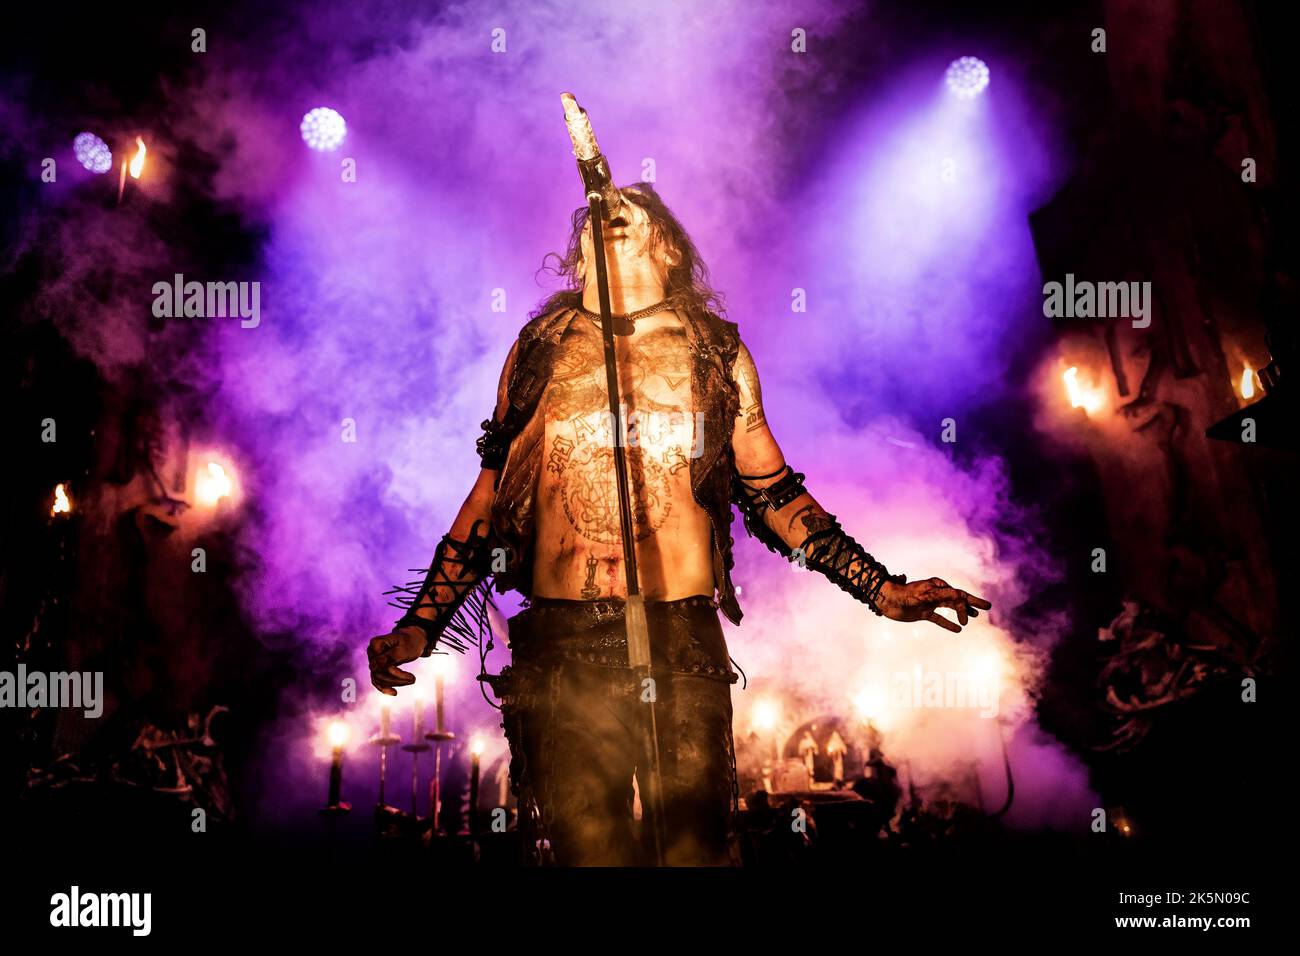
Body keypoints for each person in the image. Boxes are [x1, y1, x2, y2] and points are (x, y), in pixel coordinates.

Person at [367, 183, 991, 865]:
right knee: (591, 851)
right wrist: (420, 626)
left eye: (626, 212)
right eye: (592, 217)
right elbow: (488, 500)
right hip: (563, 646)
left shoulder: (714, 353)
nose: (604, 217)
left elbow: (775, 494)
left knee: (693, 849)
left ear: (666, 244)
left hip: (679, 638)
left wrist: (883, 589)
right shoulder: (539, 349)